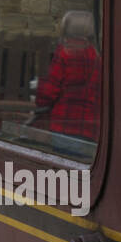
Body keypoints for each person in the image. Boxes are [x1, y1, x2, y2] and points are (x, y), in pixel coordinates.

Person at [33, 10, 101, 148]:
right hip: (90, 129)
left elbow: (49, 90)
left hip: (63, 124)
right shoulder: (97, 57)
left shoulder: (64, 53)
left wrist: (40, 104)